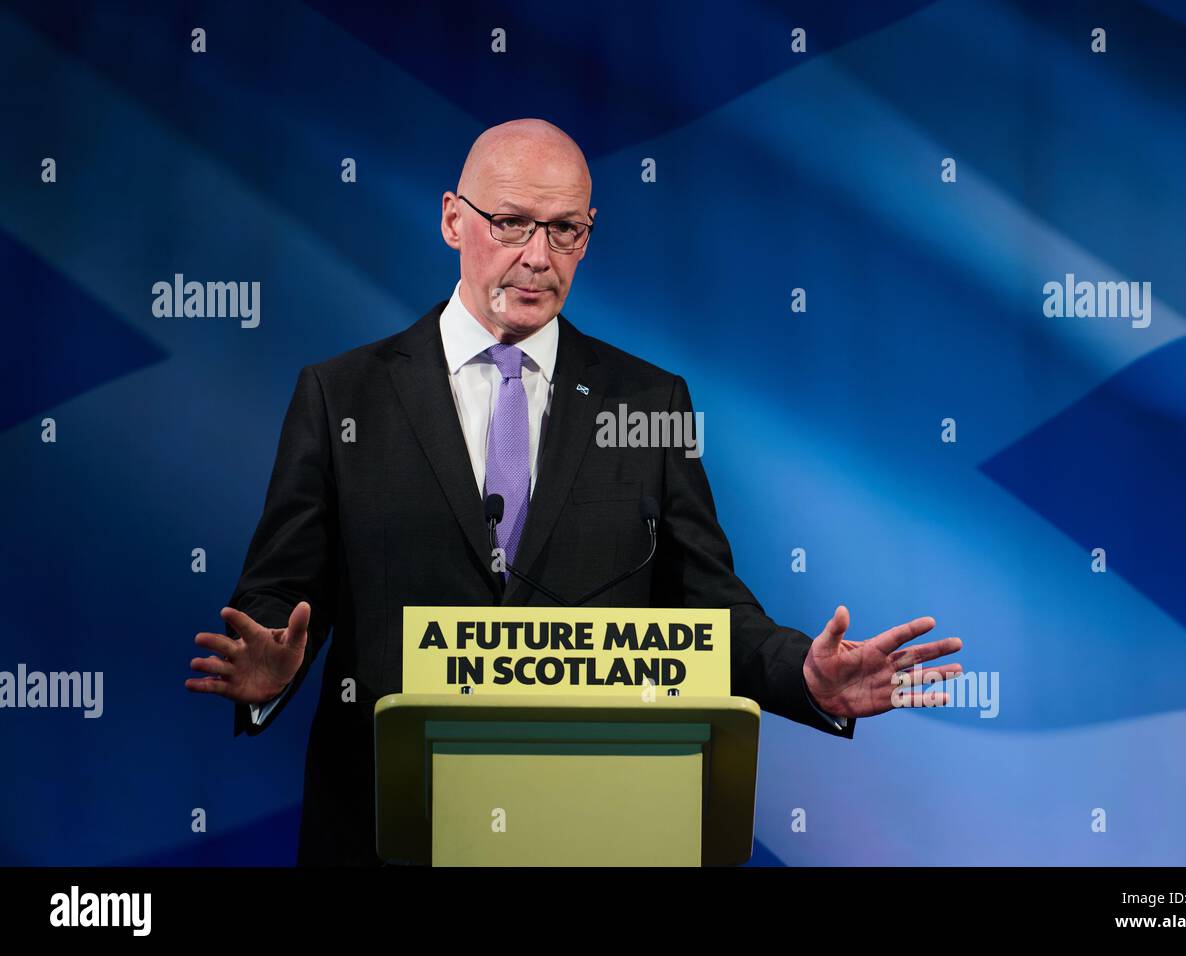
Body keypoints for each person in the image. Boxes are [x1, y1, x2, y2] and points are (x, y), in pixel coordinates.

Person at [184, 118, 964, 865]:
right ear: (453, 220)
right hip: (386, 836)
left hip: (591, 830)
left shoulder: (649, 403)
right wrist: (268, 675)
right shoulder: (341, 397)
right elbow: (279, 601)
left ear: (589, 233)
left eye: (566, 230)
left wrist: (806, 676)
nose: (537, 255)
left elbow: (707, 604)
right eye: (511, 222)